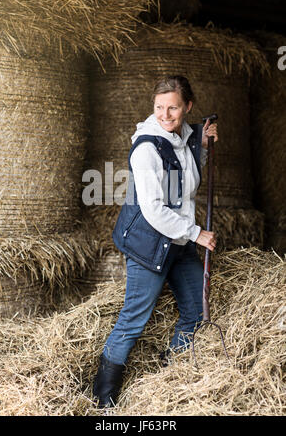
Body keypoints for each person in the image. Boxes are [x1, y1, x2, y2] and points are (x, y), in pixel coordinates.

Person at [93, 75, 218, 408]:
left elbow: (182, 182)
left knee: (196, 313)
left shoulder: (185, 136)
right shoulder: (147, 147)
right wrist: (196, 233)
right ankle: (103, 397)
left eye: (173, 108)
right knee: (133, 320)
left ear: (187, 107)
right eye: (159, 107)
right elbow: (153, 209)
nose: (166, 114)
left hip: (178, 244)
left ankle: (169, 373)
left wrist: (202, 147)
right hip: (150, 244)